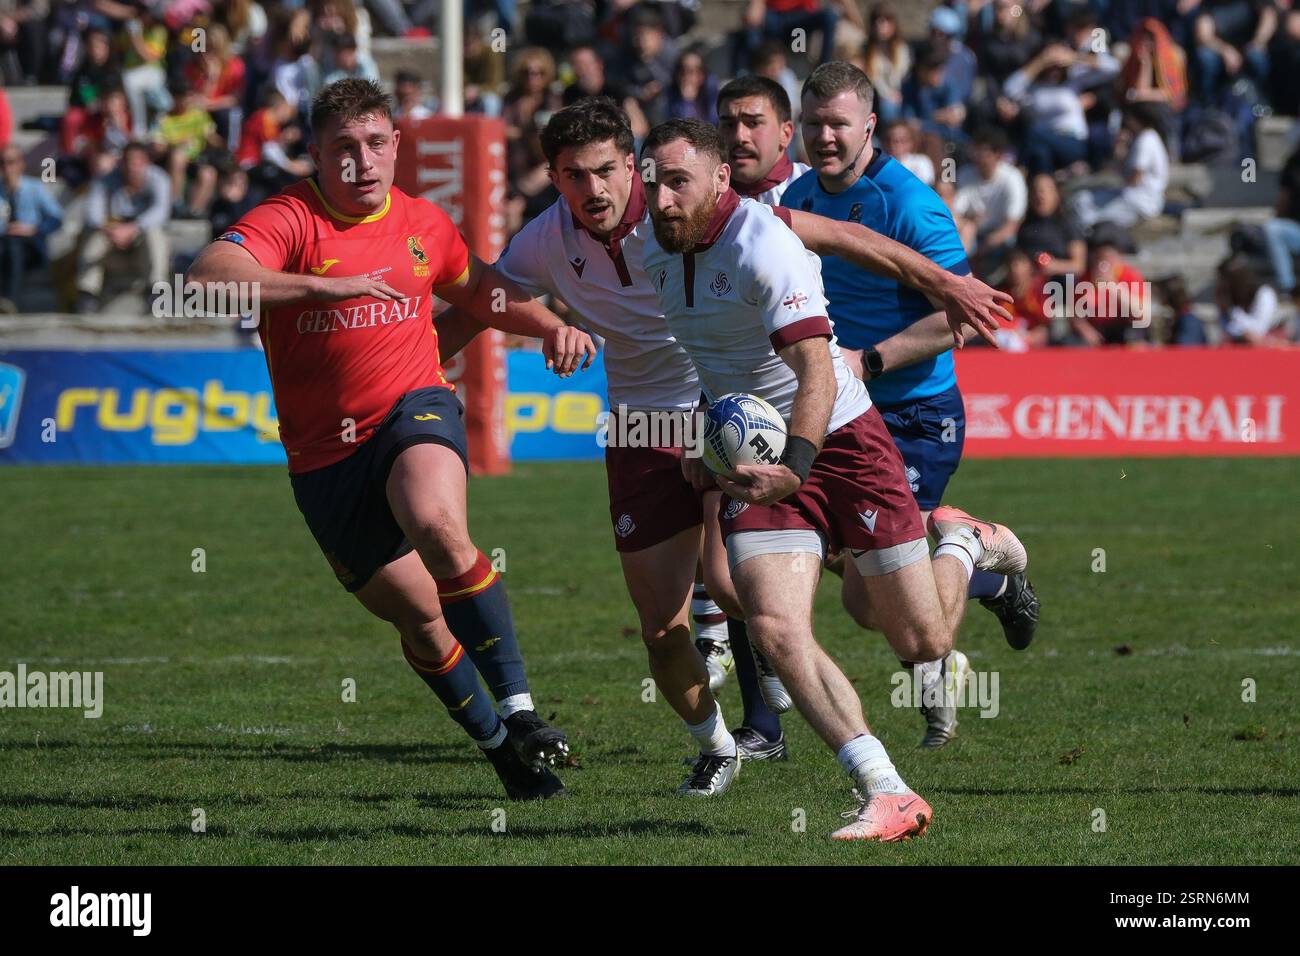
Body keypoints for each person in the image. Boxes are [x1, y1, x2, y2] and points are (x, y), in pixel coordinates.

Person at [434, 96, 1016, 790]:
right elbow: (487, 301)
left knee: (748, 586)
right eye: (571, 175)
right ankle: (726, 745)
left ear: (632, 165)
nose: (592, 190)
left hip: (734, 414)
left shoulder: (703, 219)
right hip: (641, 428)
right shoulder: (546, 241)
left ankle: (855, 657)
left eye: (605, 172)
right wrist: (424, 366)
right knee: (666, 625)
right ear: (554, 179)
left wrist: (943, 281)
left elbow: (837, 236)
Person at [185, 78, 596, 801]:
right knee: (421, 619)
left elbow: (482, 292)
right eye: (343, 147)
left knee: (436, 521)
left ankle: (524, 712)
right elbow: (207, 279)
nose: (362, 161)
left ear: (396, 146)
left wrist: (553, 324)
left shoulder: (423, 222)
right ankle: (505, 755)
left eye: (376, 143)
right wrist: (317, 287)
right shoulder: (291, 218)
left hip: (414, 408)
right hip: (322, 459)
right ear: (315, 154)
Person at [640, 117, 1027, 839]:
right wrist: (710, 435)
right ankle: (886, 790)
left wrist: (797, 467)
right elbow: (723, 352)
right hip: (758, 457)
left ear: (721, 179)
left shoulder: (764, 246)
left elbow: (817, 368)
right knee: (776, 625)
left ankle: (967, 545)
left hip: (843, 445)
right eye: (652, 181)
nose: (661, 199)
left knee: (920, 642)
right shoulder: (653, 243)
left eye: (678, 183)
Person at [782, 63, 1040, 748]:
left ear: (871, 125)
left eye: (837, 124)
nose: (824, 137)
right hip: (840, 409)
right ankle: (985, 583)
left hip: (914, 416)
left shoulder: (910, 203)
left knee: (873, 601)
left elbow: (961, 317)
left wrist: (864, 362)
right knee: (854, 581)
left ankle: (961, 543)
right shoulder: (801, 195)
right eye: (813, 125)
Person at [75, 140, 171, 313]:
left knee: (155, 235)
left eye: (137, 161)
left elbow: (160, 212)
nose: (132, 166)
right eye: (127, 161)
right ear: (121, 162)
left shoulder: (159, 179)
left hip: (140, 233)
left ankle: (156, 293)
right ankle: (87, 294)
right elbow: (92, 212)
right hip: (112, 231)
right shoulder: (105, 180)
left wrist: (133, 228)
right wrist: (110, 230)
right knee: (93, 238)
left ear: (146, 162)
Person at [1071, 103, 1170, 231]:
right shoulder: (1145, 138)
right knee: (1081, 200)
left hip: (1140, 202)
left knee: (1087, 215)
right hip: (1134, 197)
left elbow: (1134, 179)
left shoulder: (1146, 140)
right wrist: (1120, 148)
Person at [953, 126, 1027, 274]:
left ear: (998, 154)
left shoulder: (1012, 178)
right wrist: (969, 223)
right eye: (976, 150)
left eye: (984, 151)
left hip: (1000, 241)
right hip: (973, 236)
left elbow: (1012, 225)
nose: (978, 156)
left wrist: (985, 245)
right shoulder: (965, 174)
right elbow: (954, 214)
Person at [0, 143, 64, 312]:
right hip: (3, 244)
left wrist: (32, 229)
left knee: (14, 245)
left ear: (21, 164)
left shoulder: (35, 188)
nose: (7, 168)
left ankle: (10, 300)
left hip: (31, 246)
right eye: (2, 163)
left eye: (11, 162)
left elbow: (56, 219)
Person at [1261, 146, 1300, 303]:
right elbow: (1283, 200)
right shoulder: (1294, 163)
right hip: (1296, 230)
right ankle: (1287, 287)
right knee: (1272, 229)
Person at [1217, 254, 1281, 344]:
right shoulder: (1228, 297)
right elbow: (1226, 331)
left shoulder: (1264, 293)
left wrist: (1234, 312)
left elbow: (1259, 329)